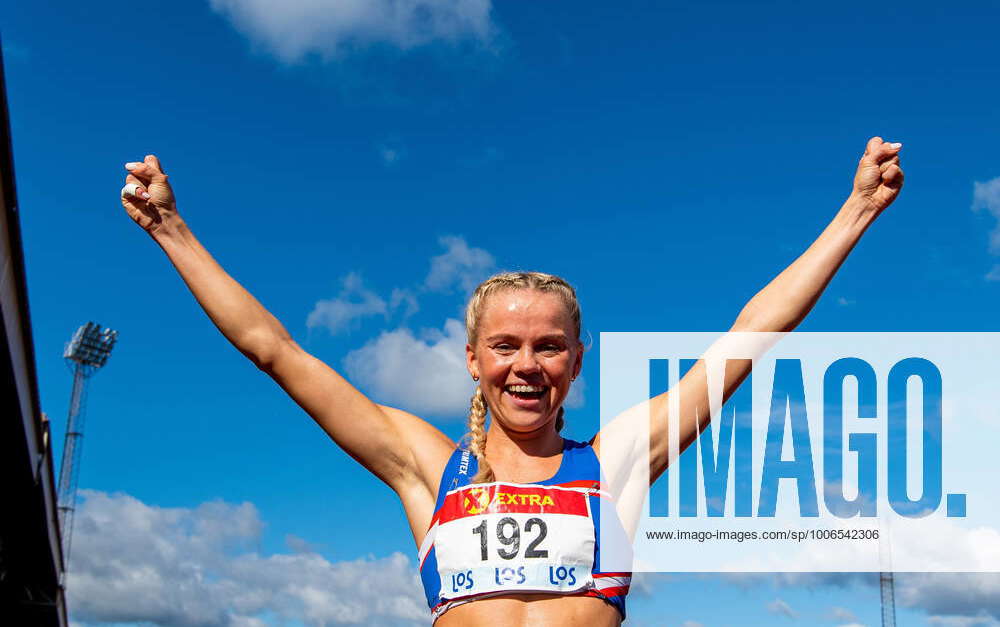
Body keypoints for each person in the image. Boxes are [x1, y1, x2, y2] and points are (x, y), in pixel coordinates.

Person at [119, 136, 904, 625]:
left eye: (549, 346)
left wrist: (855, 212)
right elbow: (275, 349)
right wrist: (171, 230)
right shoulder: (427, 465)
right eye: (505, 345)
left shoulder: (619, 458)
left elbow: (750, 337)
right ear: (472, 358)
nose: (526, 365)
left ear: (576, 360)